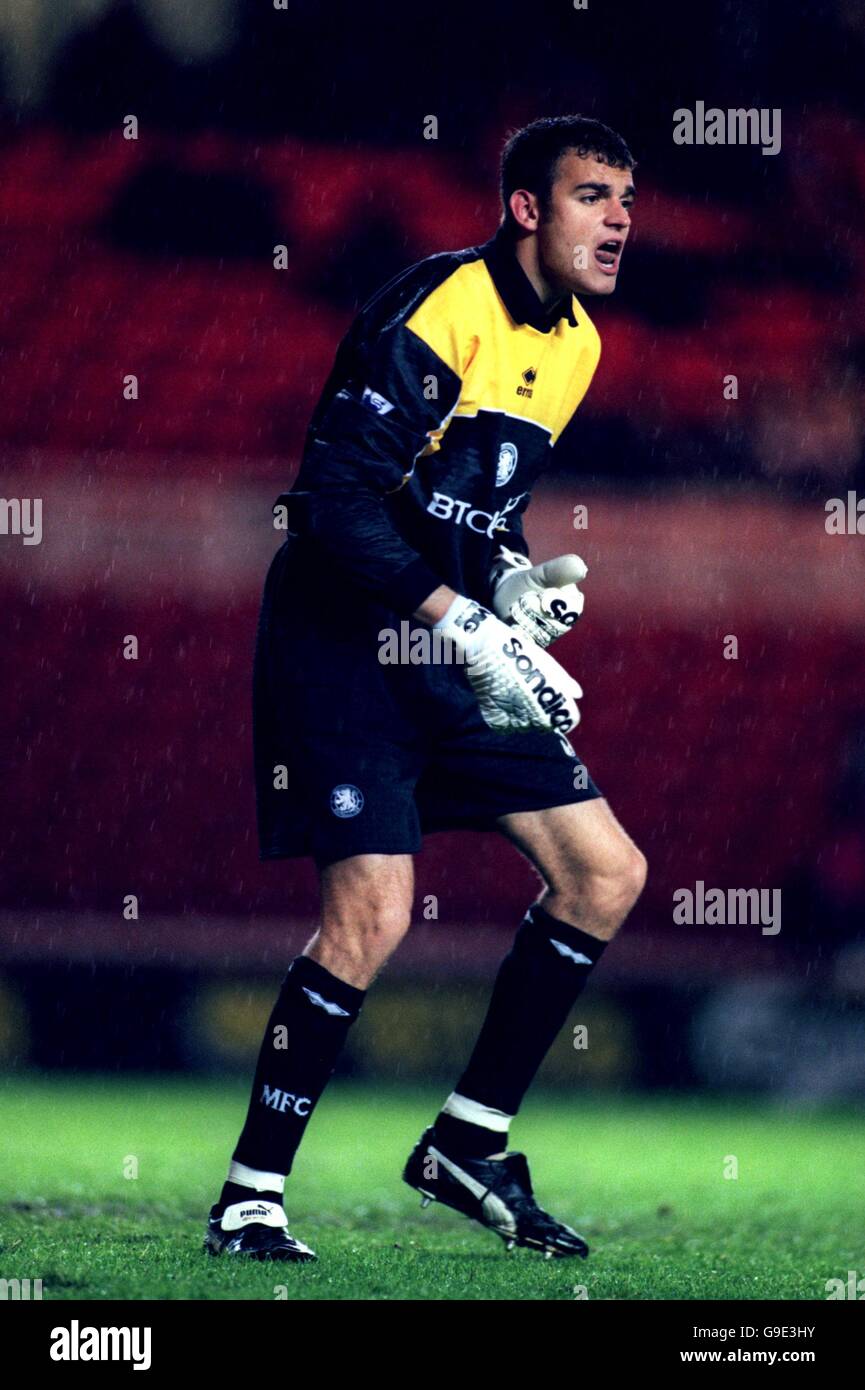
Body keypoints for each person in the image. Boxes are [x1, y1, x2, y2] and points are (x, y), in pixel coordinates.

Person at [205, 114, 646, 1263]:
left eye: (627, 202)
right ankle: (251, 1193)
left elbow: (463, 503)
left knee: (603, 872)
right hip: (344, 642)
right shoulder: (438, 310)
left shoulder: (582, 343)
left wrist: (511, 581)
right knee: (373, 913)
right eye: (593, 196)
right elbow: (329, 506)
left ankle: (468, 1140)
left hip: (451, 650)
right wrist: (467, 616)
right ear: (525, 209)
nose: (618, 221)